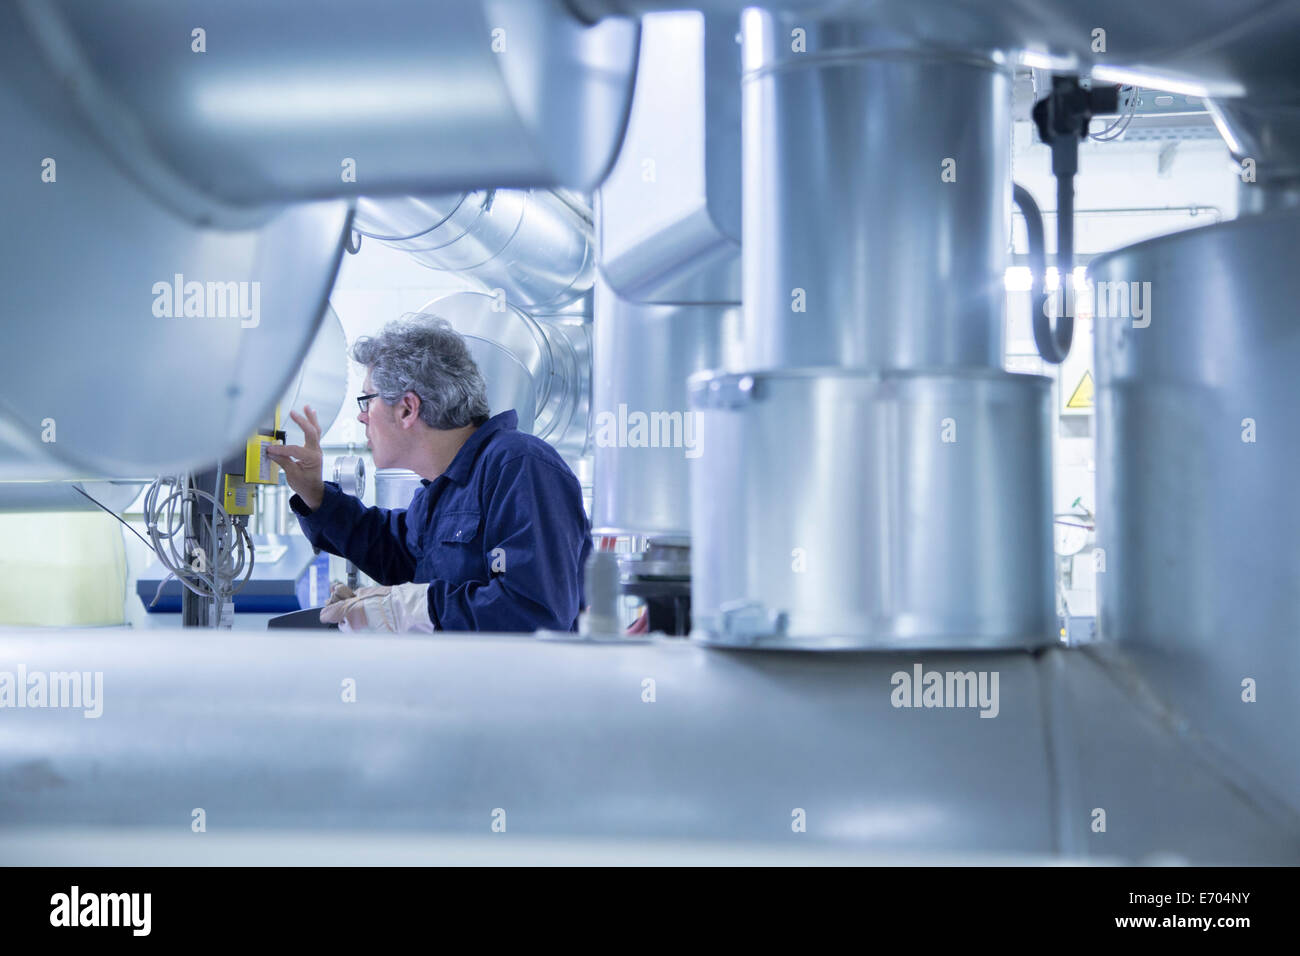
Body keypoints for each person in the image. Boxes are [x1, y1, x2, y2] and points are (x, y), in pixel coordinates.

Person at [266, 314, 592, 633]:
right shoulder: (441, 491)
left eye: (367, 401)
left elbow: (535, 612)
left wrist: (412, 607)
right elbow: (394, 551)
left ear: (408, 408)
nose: (362, 417)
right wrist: (315, 494)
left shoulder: (520, 467)